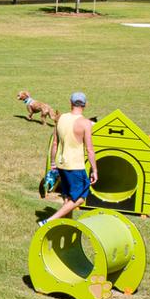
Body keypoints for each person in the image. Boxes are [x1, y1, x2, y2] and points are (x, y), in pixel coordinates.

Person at [43, 91, 97, 224]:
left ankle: (66, 225)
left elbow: (54, 143)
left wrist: (53, 163)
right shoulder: (85, 123)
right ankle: (50, 221)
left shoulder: (60, 118)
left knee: (68, 198)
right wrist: (94, 170)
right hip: (75, 166)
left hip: (61, 164)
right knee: (81, 196)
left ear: (70, 103)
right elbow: (89, 150)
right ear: (86, 105)